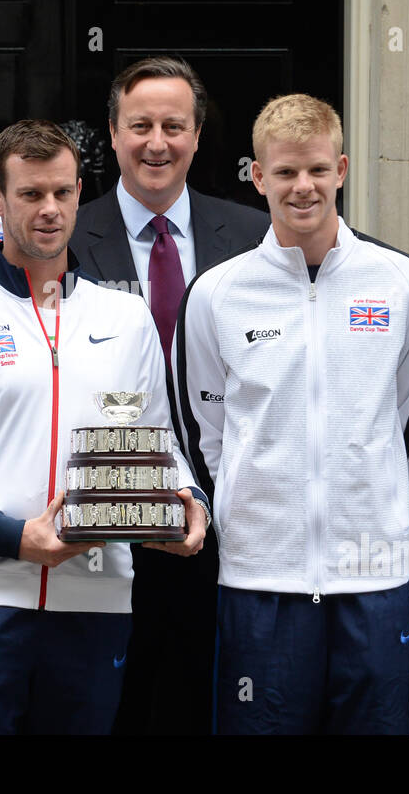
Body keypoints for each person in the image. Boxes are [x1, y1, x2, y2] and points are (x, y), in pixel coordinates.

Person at [0, 119, 210, 734]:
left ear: (80, 192)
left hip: (98, 601)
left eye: (62, 192)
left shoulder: (126, 316)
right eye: (30, 194)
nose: (49, 209)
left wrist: (187, 501)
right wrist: (10, 535)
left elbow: (158, 447)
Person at [175, 94, 409, 734]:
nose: (304, 187)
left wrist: (360, 492)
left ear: (342, 169)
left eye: (318, 170)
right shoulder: (216, 294)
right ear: (258, 177)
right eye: (286, 172)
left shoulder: (402, 283)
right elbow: (202, 429)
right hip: (261, 581)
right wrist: (244, 504)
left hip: (371, 581)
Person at [71, 56, 269, 735]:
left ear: (198, 132)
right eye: (140, 125)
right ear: (113, 130)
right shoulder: (64, 234)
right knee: (108, 709)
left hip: (221, 522)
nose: (157, 142)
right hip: (101, 520)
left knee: (202, 704)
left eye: (173, 126)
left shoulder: (251, 234)